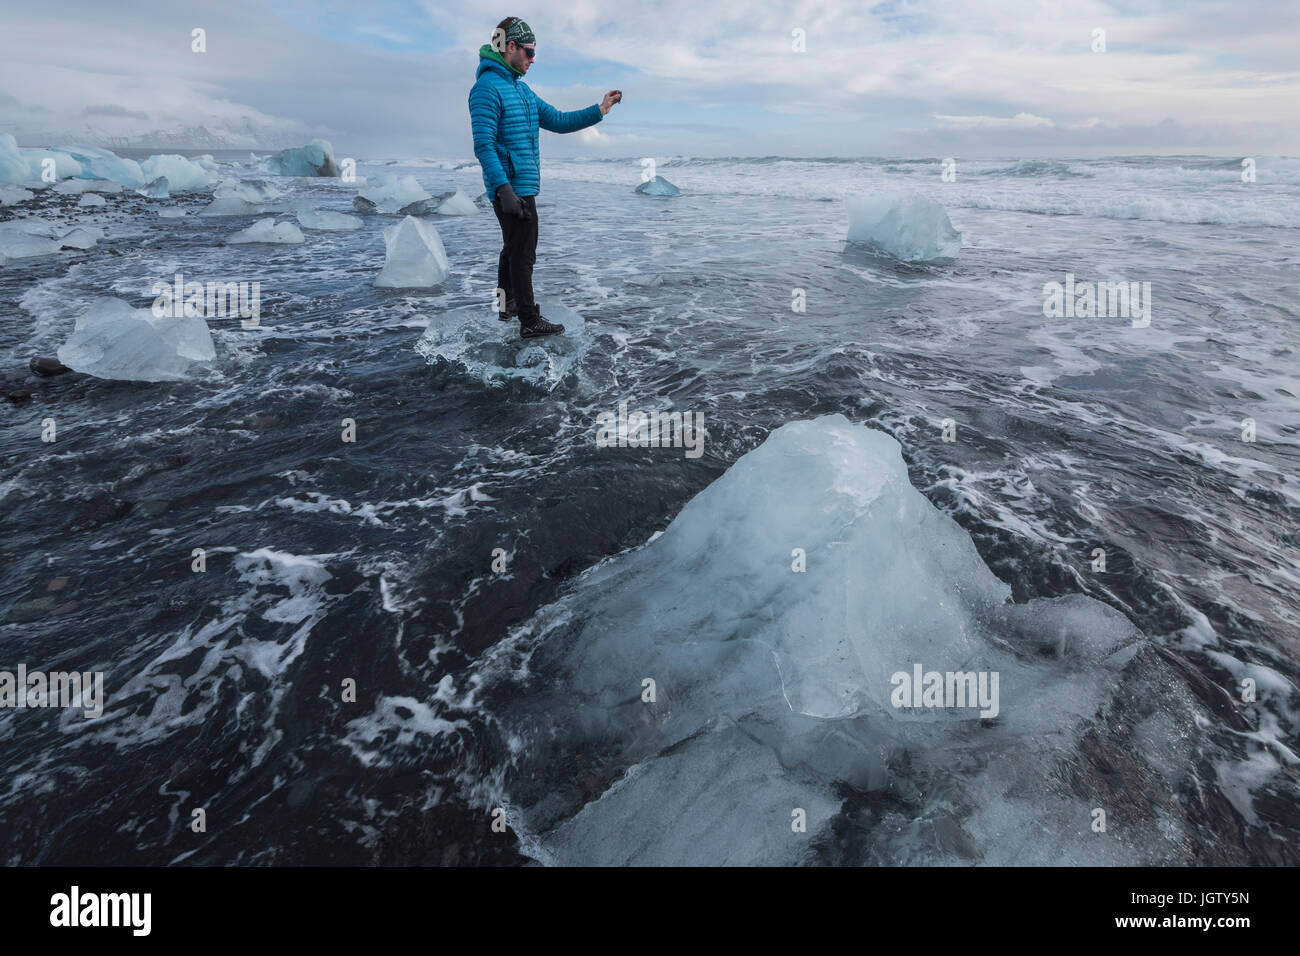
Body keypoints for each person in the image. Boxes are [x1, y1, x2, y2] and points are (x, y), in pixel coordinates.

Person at [469, 17, 621, 337]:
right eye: (529, 52)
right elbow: (483, 146)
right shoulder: (486, 89)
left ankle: (504, 307)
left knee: (511, 249)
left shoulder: (522, 91)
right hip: (510, 188)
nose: (532, 60)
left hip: (520, 186)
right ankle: (529, 320)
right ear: (510, 47)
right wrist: (504, 190)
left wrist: (600, 109)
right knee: (523, 254)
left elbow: (558, 120)